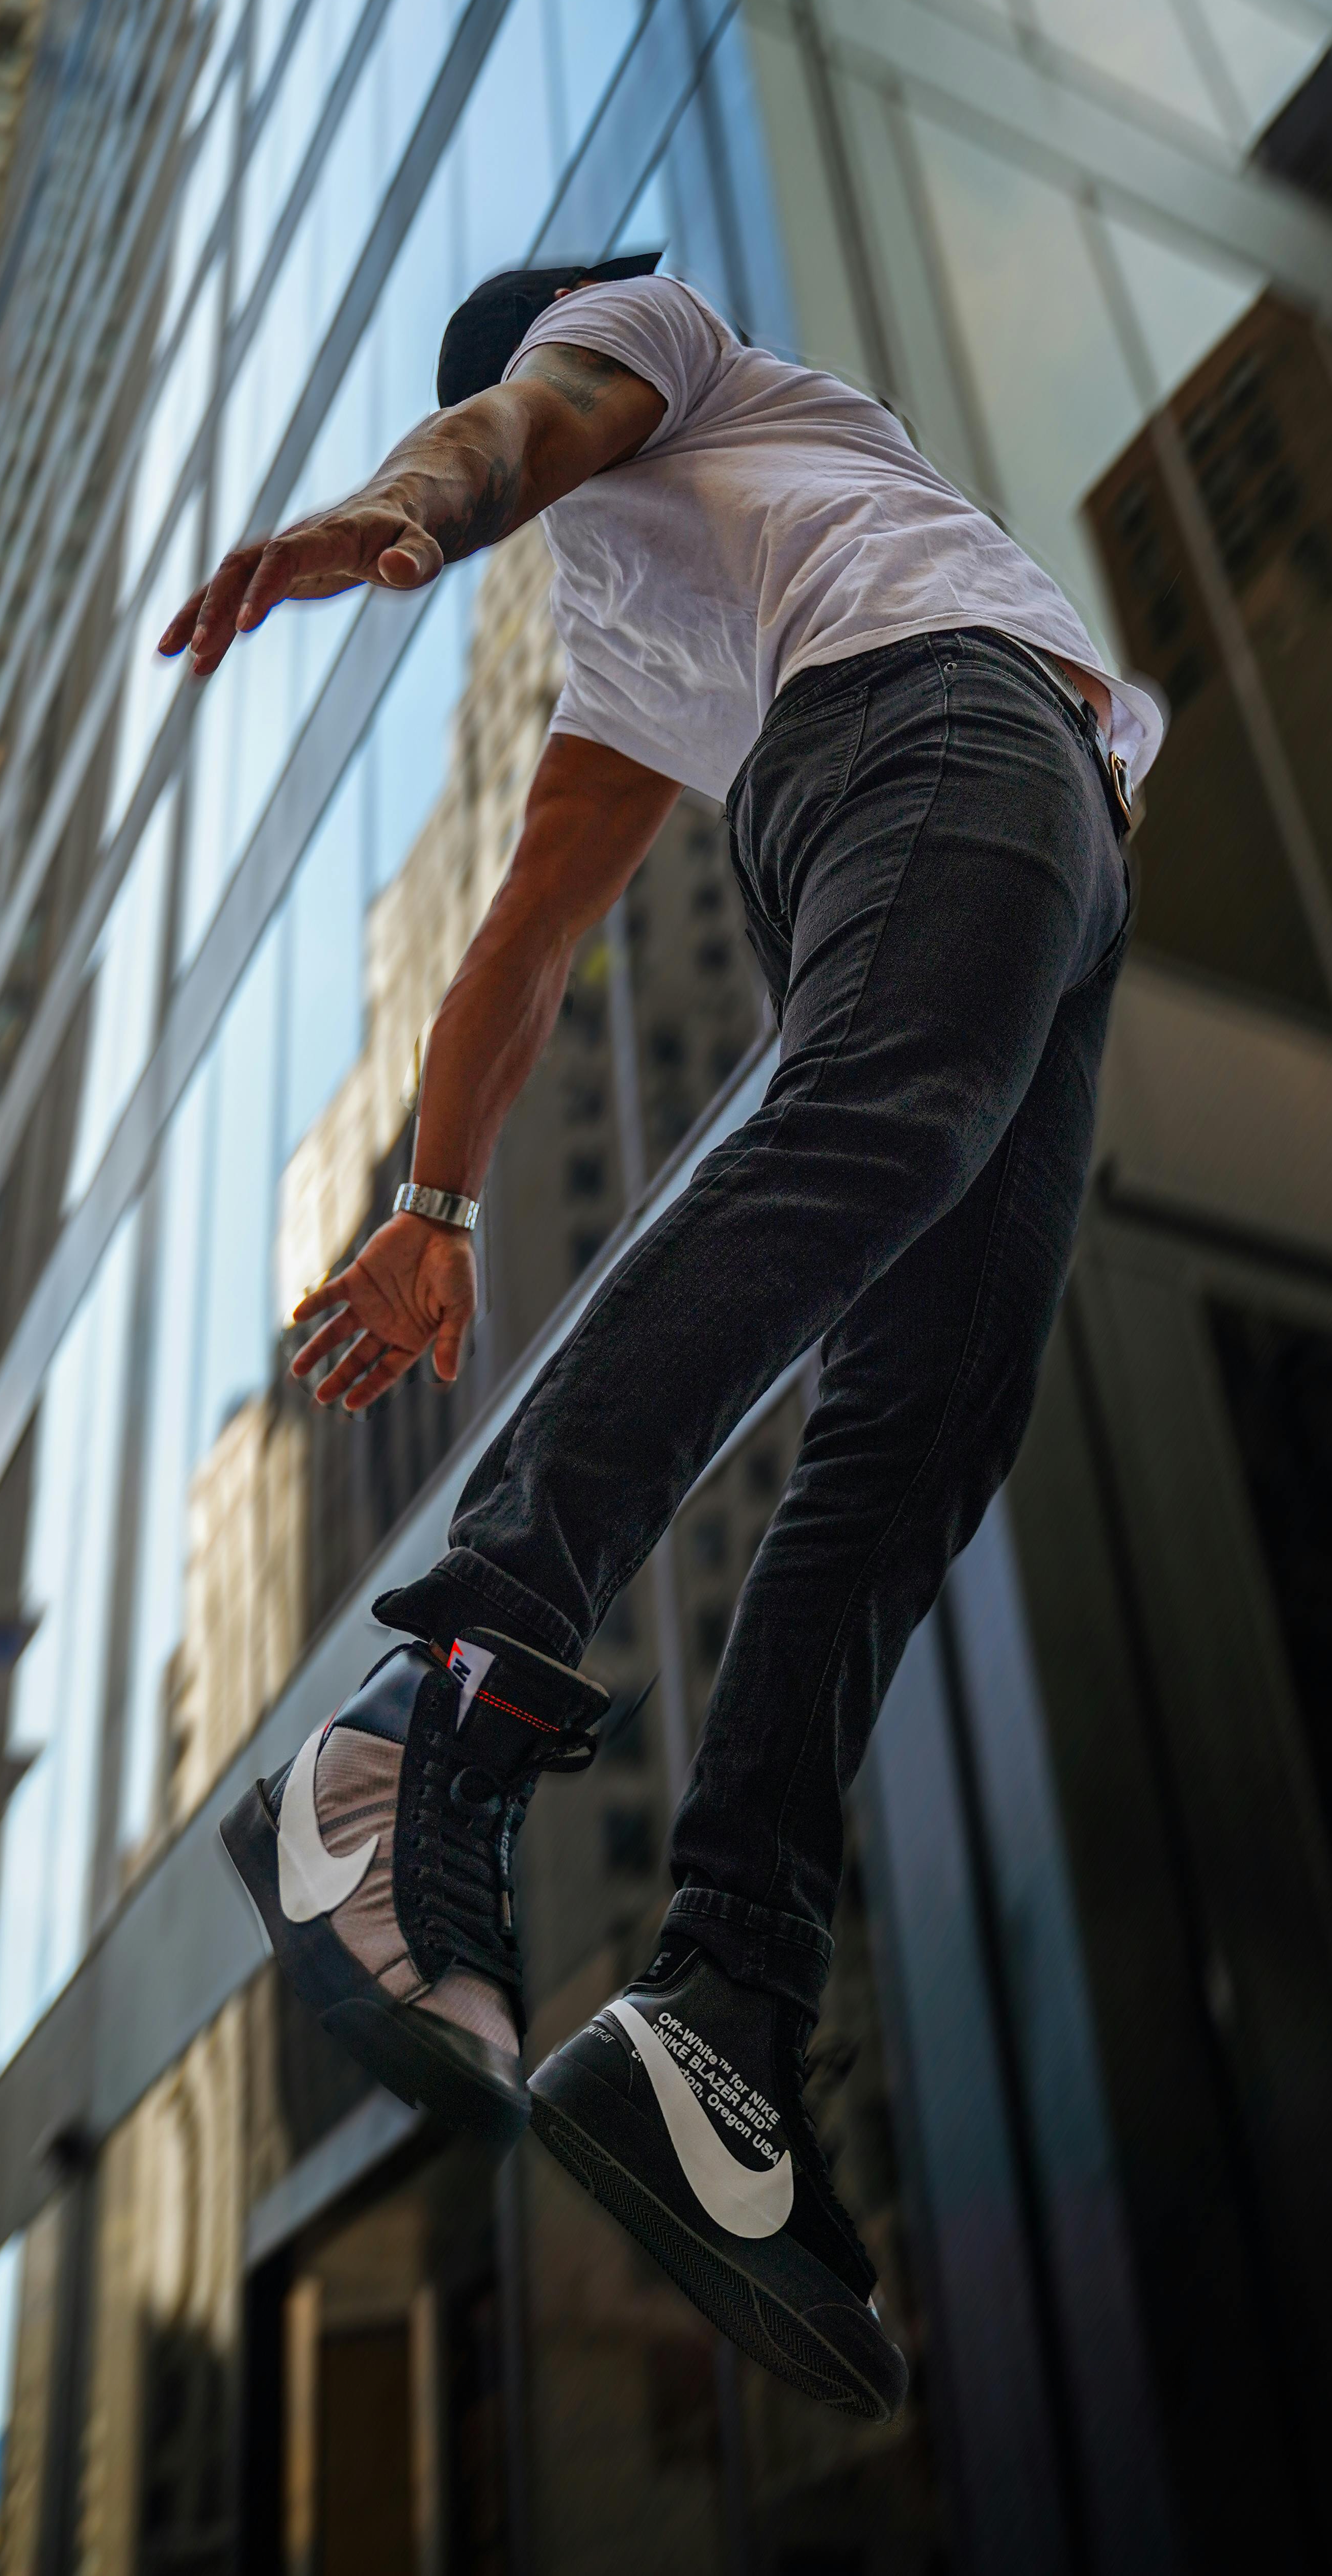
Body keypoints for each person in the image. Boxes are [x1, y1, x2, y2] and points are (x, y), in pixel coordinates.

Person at [165, 251, 1162, 2421]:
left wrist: (436, 1211)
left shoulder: (671, 547)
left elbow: (521, 942)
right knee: (872, 1128)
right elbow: (511, 456)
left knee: (919, 1438)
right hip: (945, 737)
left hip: (1033, 839)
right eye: (579, 364)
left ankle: (720, 2012)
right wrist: (422, 508)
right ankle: (424, 1715)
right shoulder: (635, 374)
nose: (606, 368)